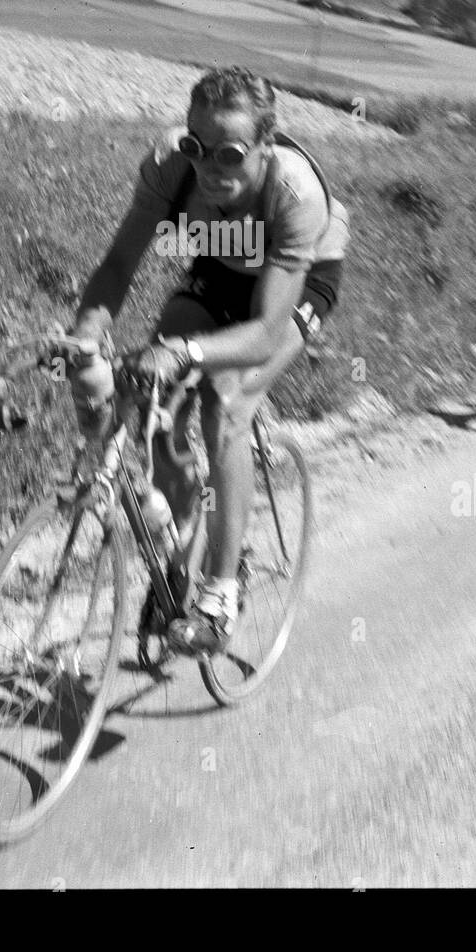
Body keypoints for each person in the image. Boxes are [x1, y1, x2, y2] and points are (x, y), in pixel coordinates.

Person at [68, 68, 349, 653]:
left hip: (294, 283)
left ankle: (220, 594)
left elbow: (266, 333)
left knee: (227, 403)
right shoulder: (173, 165)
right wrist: (85, 335)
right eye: (200, 148)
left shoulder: (296, 193)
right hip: (224, 262)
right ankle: (186, 538)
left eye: (231, 154)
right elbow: (119, 263)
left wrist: (184, 352)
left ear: (266, 146)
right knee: (149, 402)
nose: (211, 168)